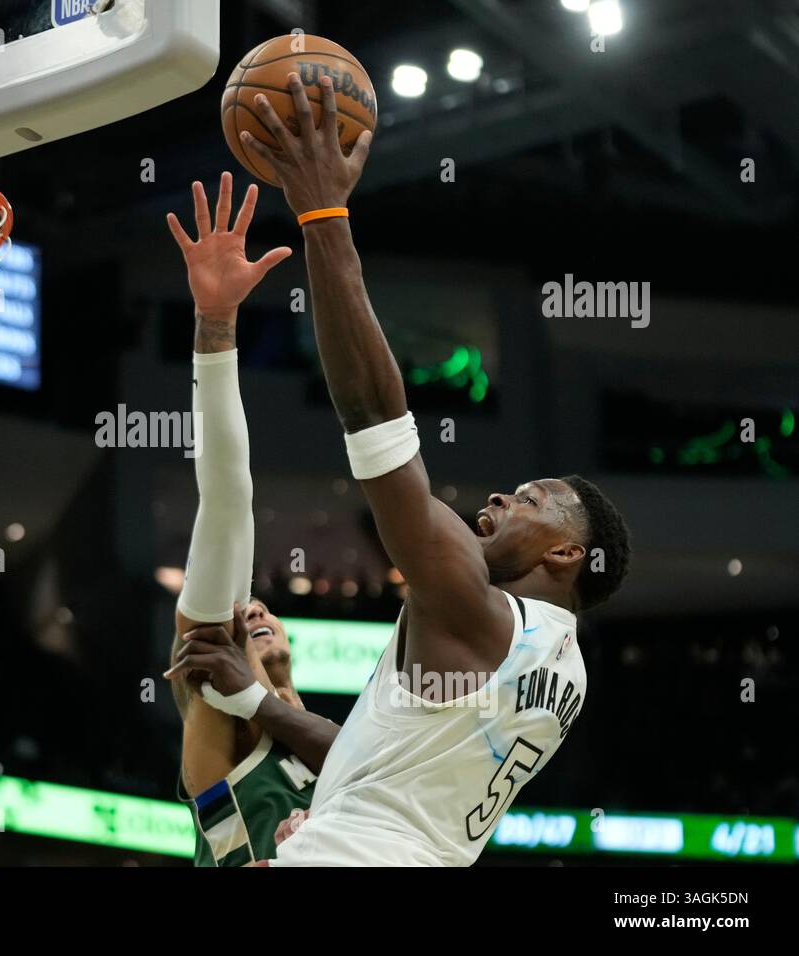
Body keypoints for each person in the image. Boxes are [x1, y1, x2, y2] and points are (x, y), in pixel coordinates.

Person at [223, 72, 633, 866]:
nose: (501, 496)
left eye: (531, 499)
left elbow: (375, 417)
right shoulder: (563, 671)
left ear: (563, 553)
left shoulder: (474, 609)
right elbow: (386, 764)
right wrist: (253, 701)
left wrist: (321, 214)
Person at [161, 173, 341, 867]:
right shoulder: (219, 686)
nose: (255, 610)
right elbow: (228, 494)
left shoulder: (327, 744)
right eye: (250, 608)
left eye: (265, 608)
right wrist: (216, 324)